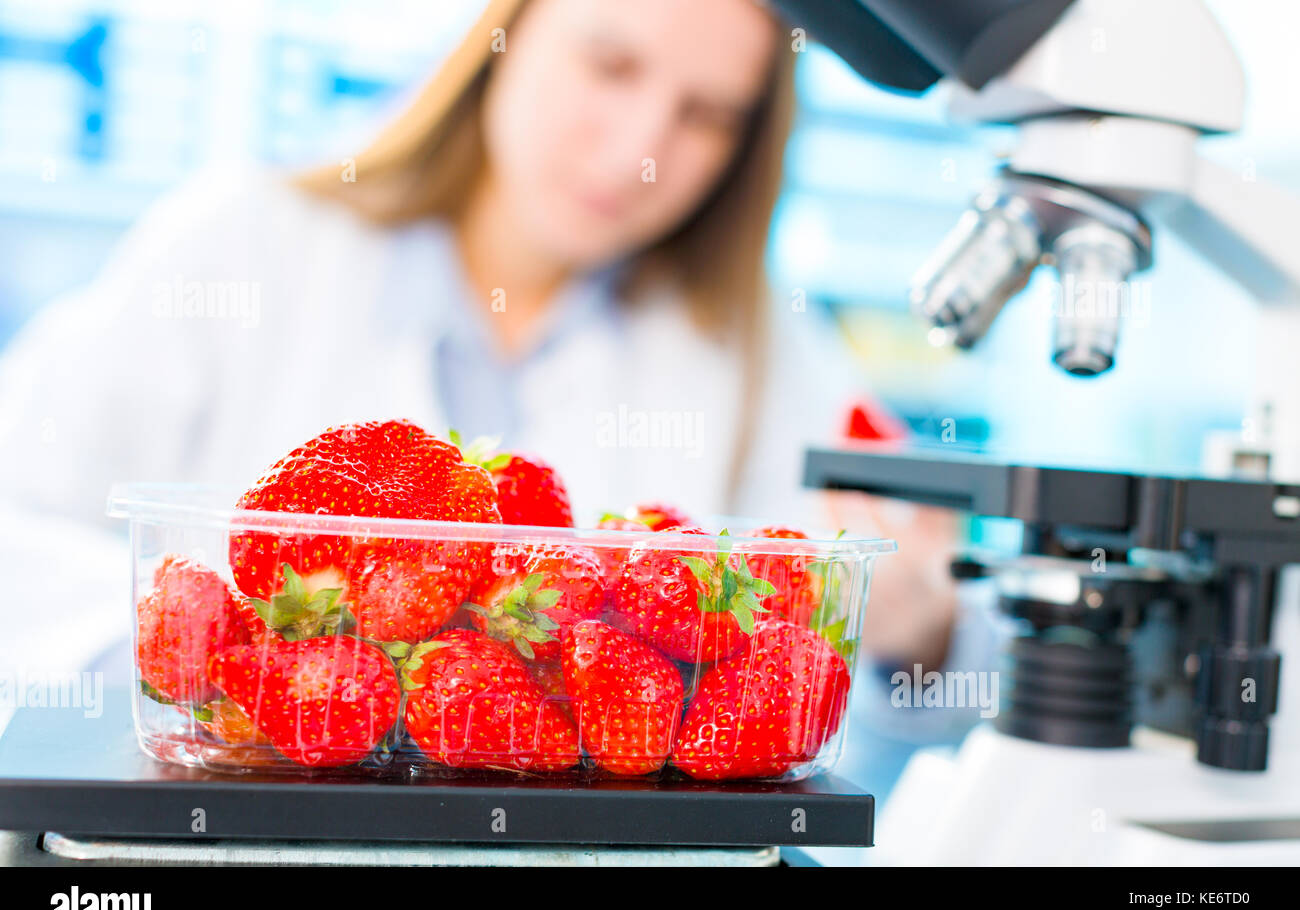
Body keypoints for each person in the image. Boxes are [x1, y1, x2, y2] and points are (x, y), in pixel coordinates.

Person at [0, 0, 972, 685]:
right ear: (507, 33)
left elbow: (828, 657)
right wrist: (207, 663)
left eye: (708, 116)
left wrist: (917, 627)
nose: (637, 149)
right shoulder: (241, 243)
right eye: (610, 65)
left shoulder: (757, 346)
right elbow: (18, 526)